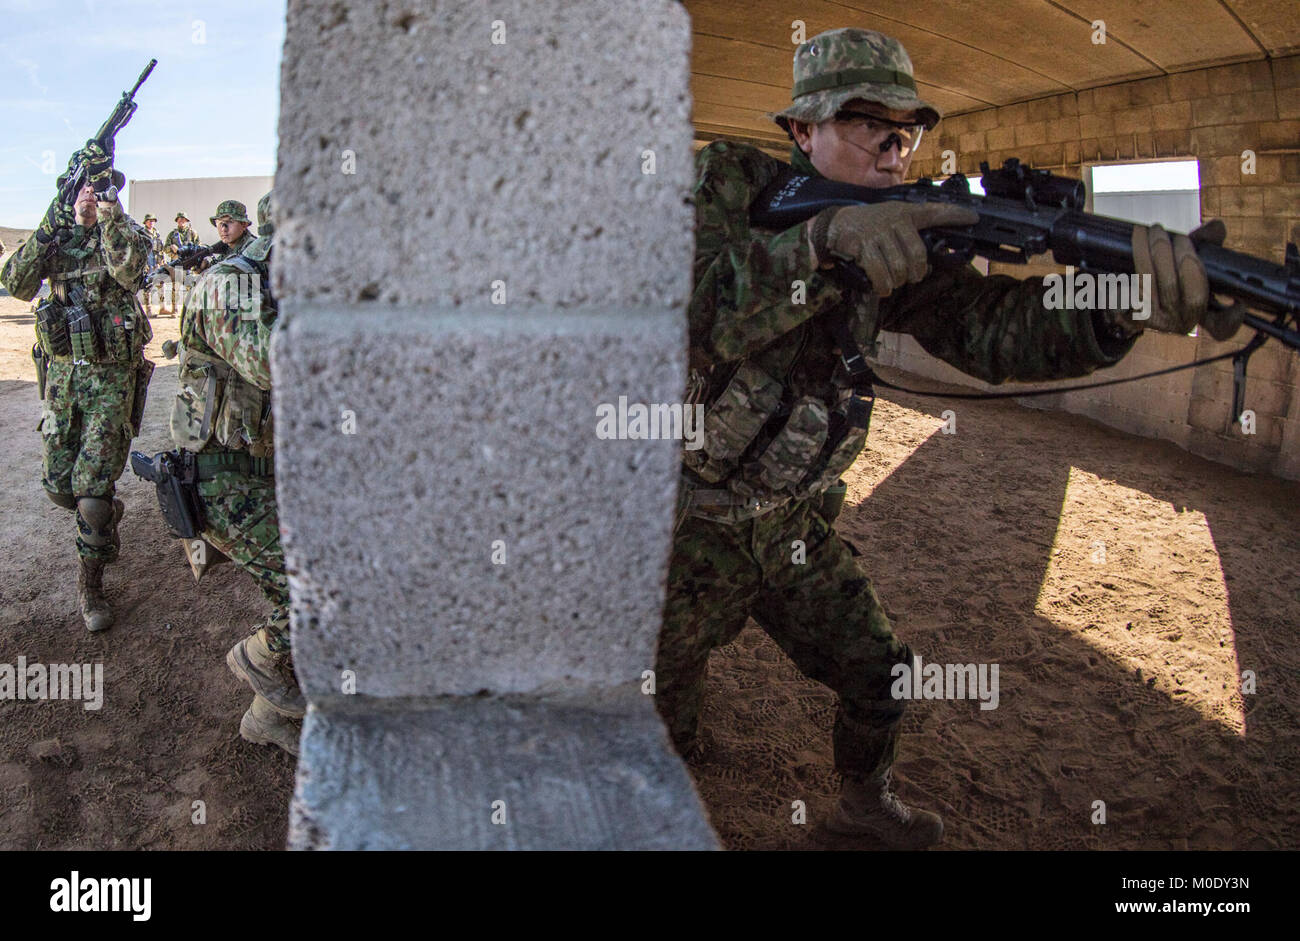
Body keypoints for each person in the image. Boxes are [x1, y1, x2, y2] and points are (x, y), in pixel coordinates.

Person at [657, 27, 1242, 848]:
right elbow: (695, 313)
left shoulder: (903, 234)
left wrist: (1118, 301)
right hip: (689, 528)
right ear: (801, 130)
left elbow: (992, 332)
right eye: (867, 122)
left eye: (909, 129)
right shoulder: (726, 183)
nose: (895, 148)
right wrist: (821, 247)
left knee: (880, 670)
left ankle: (864, 808)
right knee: (661, 713)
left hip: (790, 525)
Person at [0, 142, 153, 632]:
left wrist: (109, 218)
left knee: (89, 492)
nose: (92, 191)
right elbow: (17, 283)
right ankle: (105, 515)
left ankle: (91, 584)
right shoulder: (56, 239)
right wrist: (51, 222)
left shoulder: (122, 234)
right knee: (58, 488)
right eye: (85, 183)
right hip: (64, 378)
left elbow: (132, 273)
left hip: (110, 381)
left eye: (101, 183)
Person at [171, 191, 301, 756]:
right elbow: (274, 363)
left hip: (261, 471)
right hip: (221, 480)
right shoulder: (233, 284)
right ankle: (258, 659)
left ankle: (268, 713)